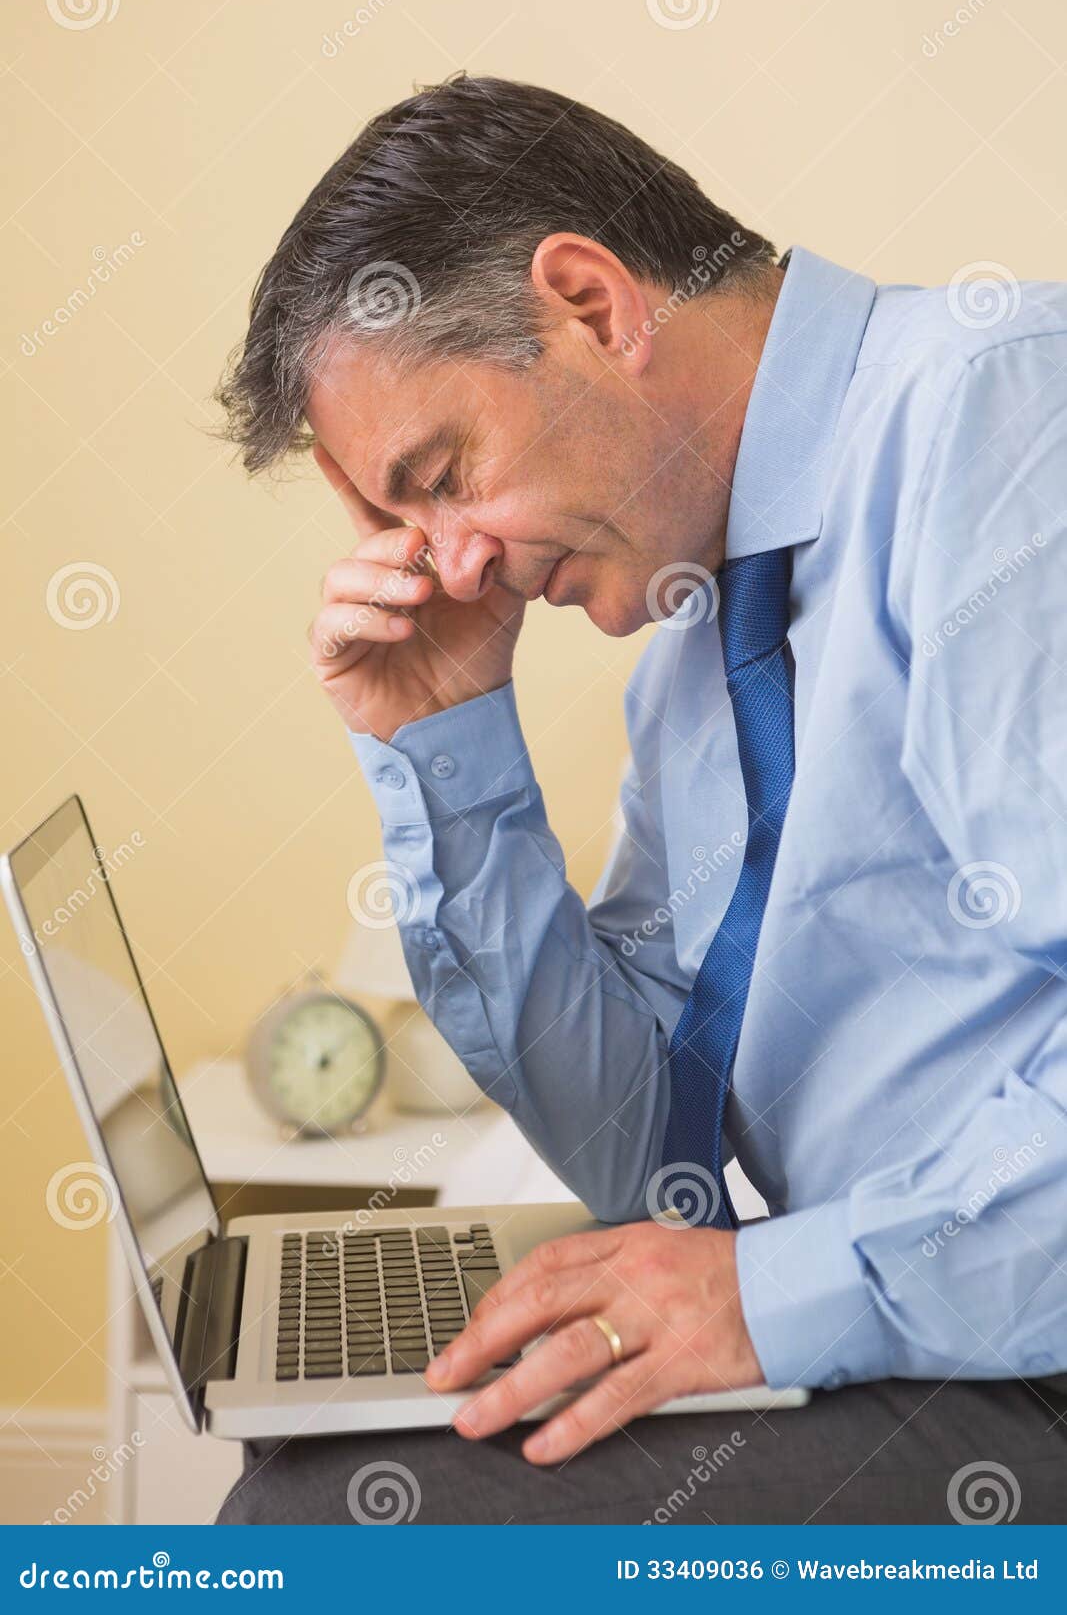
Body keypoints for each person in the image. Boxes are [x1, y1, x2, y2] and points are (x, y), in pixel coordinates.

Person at [213, 75, 1067, 1524]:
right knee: (327, 1457)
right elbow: (649, 1159)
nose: (450, 567)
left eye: (442, 478)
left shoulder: (1000, 414)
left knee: (338, 1518)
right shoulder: (696, 639)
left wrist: (775, 1289)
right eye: (400, 524)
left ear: (594, 307)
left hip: (1028, 1360)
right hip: (933, 1336)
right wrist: (447, 738)